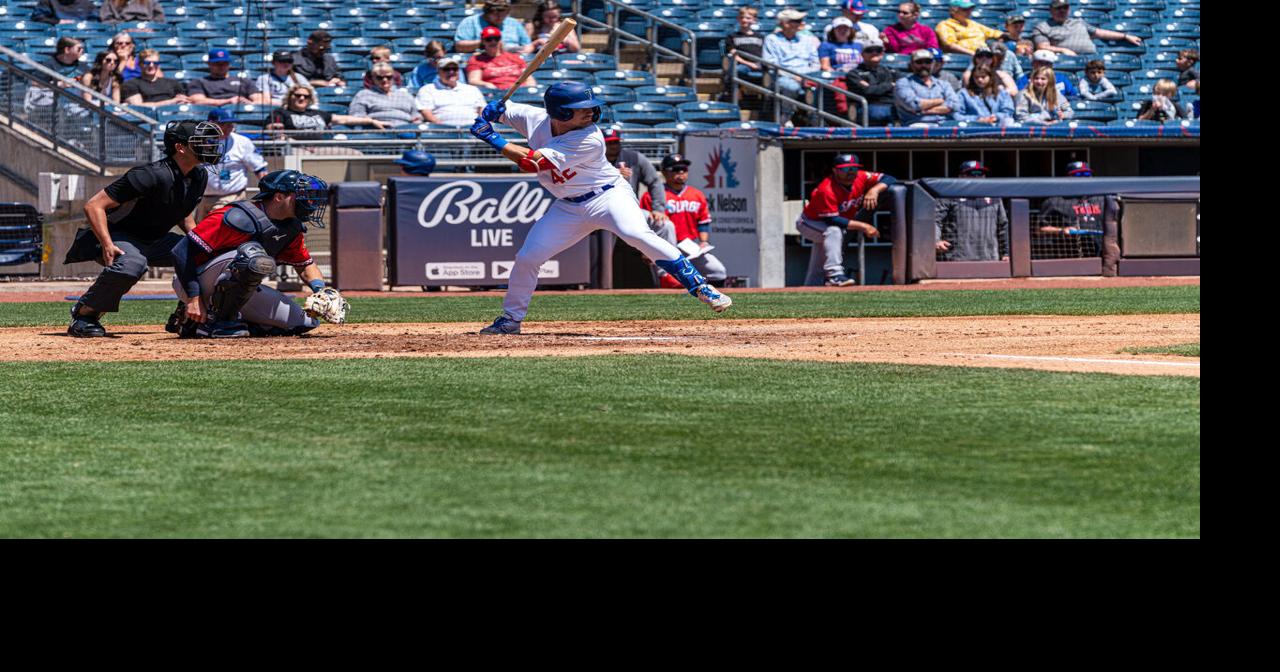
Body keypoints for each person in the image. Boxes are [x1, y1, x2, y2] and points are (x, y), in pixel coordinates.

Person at [467, 82, 732, 334]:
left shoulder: (590, 137)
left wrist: (492, 137)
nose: (591, 111)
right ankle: (511, 320)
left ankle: (701, 286)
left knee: (637, 234)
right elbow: (503, 109)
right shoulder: (535, 118)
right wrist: (493, 111)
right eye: (582, 108)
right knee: (528, 257)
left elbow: (533, 163)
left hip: (607, 197)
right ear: (561, 112)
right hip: (568, 206)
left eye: (591, 106)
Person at [64, 120, 222, 338]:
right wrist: (107, 244)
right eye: (201, 142)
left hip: (155, 240)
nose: (209, 146)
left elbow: (183, 212)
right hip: (120, 236)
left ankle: (187, 316)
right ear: (180, 147)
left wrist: (200, 243)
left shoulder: (198, 176)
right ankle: (85, 315)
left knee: (211, 256)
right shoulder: (150, 174)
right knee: (132, 265)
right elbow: (94, 205)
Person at [166, 170, 338, 338]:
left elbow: (305, 265)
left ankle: (194, 324)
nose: (308, 201)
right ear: (279, 197)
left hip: (238, 288)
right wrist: (193, 298)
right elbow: (181, 251)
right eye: (301, 195)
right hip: (192, 282)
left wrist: (322, 292)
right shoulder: (236, 216)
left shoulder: (291, 227)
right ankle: (219, 323)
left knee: (305, 322)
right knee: (252, 257)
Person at [795, 153, 893, 286]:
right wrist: (864, 226)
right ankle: (835, 275)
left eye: (854, 168)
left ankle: (812, 287)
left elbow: (889, 178)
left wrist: (874, 190)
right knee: (834, 231)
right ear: (835, 171)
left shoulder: (861, 176)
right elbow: (833, 220)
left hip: (826, 224)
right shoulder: (826, 189)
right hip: (809, 222)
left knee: (821, 260)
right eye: (845, 169)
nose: (851, 172)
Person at [639, 154, 728, 286]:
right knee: (668, 281)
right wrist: (645, 249)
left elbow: (703, 223)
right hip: (663, 246)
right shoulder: (652, 196)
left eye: (684, 169)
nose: (681, 172)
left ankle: (709, 296)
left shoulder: (696, 195)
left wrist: (703, 242)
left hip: (689, 247)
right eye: (675, 169)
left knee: (718, 272)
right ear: (664, 172)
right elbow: (642, 225)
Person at [195, 109, 269, 222]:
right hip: (203, 198)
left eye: (230, 124)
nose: (227, 128)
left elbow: (259, 168)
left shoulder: (242, 142)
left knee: (219, 225)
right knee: (200, 230)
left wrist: (268, 191)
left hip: (232, 196)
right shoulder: (198, 142)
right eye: (222, 124)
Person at [1035, 161, 1115, 261]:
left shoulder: (1102, 199)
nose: (1083, 178)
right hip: (1069, 257)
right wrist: (1061, 230)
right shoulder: (1055, 201)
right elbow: (1039, 230)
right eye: (1078, 175)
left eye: (1086, 174)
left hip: (1100, 256)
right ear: (1068, 178)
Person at [935, 160, 1008, 261]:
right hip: (958, 259)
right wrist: (936, 240)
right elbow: (935, 220)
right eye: (971, 174)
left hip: (989, 259)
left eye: (980, 174)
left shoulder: (994, 197)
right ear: (961, 176)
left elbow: (1004, 226)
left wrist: (1007, 252)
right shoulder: (949, 196)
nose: (977, 177)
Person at [762, 9, 821, 125]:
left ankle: (819, 119)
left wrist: (806, 76)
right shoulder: (771, 39)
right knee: (791, 86)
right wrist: (794, 76)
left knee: (828, 86)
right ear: (785, 24)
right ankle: (786, 115)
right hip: (783, 76)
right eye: (797, 21)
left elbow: (815, 63)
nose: (801, 23)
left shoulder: (807, 39)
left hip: (808, 76)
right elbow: (771, 64)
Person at [267, 84, 391, 139]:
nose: (302, 98)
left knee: (355, 154)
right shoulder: (280, 113)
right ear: (290, 97)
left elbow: (344, 119)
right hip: (294, 149)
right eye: (298, 95)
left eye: (306, 96)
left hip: (322, 147)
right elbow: (274, 131)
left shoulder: (317, 113)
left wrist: (370, 121)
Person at [601, 129, 667, 226]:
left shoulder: (634, 158)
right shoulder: (592, 160)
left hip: (630, 210)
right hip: (601, 211)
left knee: (665, 225)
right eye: (609, 143)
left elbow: (654, 182)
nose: (613, 146)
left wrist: (658, 209)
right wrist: (614, 174)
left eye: (616, 142)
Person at [1030, 0, 1141, 56]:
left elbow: (1099, 33)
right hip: (1065, 61)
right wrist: (1063, 50)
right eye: (1058, 8)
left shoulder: (1078, 22)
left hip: (1091, 60)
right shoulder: (1043, 27)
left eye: (1065, 8)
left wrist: (1125, 36)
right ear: (1051, 10)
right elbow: (1042, 47)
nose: (1062, 11)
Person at [894, 49, 960, 125]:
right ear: (911, 64)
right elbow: (913, 105)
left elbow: (955, 105)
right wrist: (941, 101)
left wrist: (924, 110)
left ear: (933, 64)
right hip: (916, 124)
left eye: (928, 62)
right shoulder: (903, 83)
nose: (924, 65)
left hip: (943, 124)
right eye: (919, 62)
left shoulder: (944, 84)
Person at [415, 56, 486, 126]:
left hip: (473, 129)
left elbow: (482, 110)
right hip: (442, 129)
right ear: (438, 71)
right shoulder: (428, 89)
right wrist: (442, 127)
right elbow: (426, 112)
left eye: (454, 69)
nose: (451, 72)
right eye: (446, 69)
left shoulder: (472, 89)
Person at [187, 48, 268, 107]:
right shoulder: (199, 82)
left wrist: (249, 103)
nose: (221, 66)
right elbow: (197, 101)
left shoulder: (244, 81)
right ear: (209, 64)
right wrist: (228, 101)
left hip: (240, 111)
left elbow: (261, 100)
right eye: (217, 63)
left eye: (224, 63)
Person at [845, 38, 899, 126]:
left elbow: (900, 88)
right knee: (879, 112)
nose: (874, 53)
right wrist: (890, 85)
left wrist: (875, 88)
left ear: (882, 53)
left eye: (878, 50)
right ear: (862, 54)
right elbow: (868, 91)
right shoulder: (854, 73)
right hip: (869, 107)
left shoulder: (891, 71)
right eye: (869, 50)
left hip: (892, 106)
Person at [348, 63, 419, 127]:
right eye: (380, 77)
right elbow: (356, 116)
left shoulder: (406, 95)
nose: (385, 80)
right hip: (376, 130)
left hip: (405, 129)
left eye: (389, 77)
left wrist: (416, 121)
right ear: (373, 78)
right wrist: (371, 122)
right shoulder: (363, 94)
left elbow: (416, 116)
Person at [468, 26, 536, 90]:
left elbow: (529, 79)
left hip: (518, 91)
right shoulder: (477, 60)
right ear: (483, 41)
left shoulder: (515, 57)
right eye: (489, 39)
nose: (493, 42)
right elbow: (474, 80)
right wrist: (487, 84)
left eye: (496, 38)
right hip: (494, 92)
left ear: (500, 40)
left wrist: (529, 88)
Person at [455, 0, 532, 54]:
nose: (500, 18)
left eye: (503, 15)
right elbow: (459, 46)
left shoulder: (513, 23)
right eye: (495, 14)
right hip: (483, 59)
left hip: (513, 59)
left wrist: (525, 52)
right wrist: (485, 43)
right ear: (486, 12)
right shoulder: (470, 22)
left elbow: (528, 45)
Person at [935, 0, 1007, 56]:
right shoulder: (945, 25)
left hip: (983, 55)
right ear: (953, 11)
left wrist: (1005, 37)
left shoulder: (972, 23)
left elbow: (993, 33)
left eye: (970, 9)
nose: (969, 12)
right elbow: (950, 46)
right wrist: (973, 53)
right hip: (964, 57)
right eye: (965, 9)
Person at [122, 49, 189, 106]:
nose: (151, 65)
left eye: (155, 63)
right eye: (147, 63)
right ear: (140, 64)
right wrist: (171, 102)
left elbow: (183, 101)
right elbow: (138, 106)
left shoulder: (172, 83)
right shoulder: (131, 84)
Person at [724, 6, 765, 95]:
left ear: (754, 20)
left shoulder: (760, 37)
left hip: (760, 64)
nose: (744, 20)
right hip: (743, 64)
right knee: (737, 70)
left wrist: (759, 64)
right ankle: (736, 95)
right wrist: (750, 64)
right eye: (742, 17)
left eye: (748, 18)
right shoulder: (732, 36)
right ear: (738, 19)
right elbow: (734, 55)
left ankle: (768, 98)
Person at [100, 0, 166, 24]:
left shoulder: (150, 1)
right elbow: (106, 19)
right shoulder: (111, 1)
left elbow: (160, 19)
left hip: (146, 31)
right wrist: (122, 27)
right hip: (122, 32)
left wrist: (150, 27)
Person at [31, 0, 96, 24]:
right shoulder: (48, 1)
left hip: (82, 34)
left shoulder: (87, 4)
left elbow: (95, 21)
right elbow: (37, 17)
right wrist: (58, 22)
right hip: (58, 35)